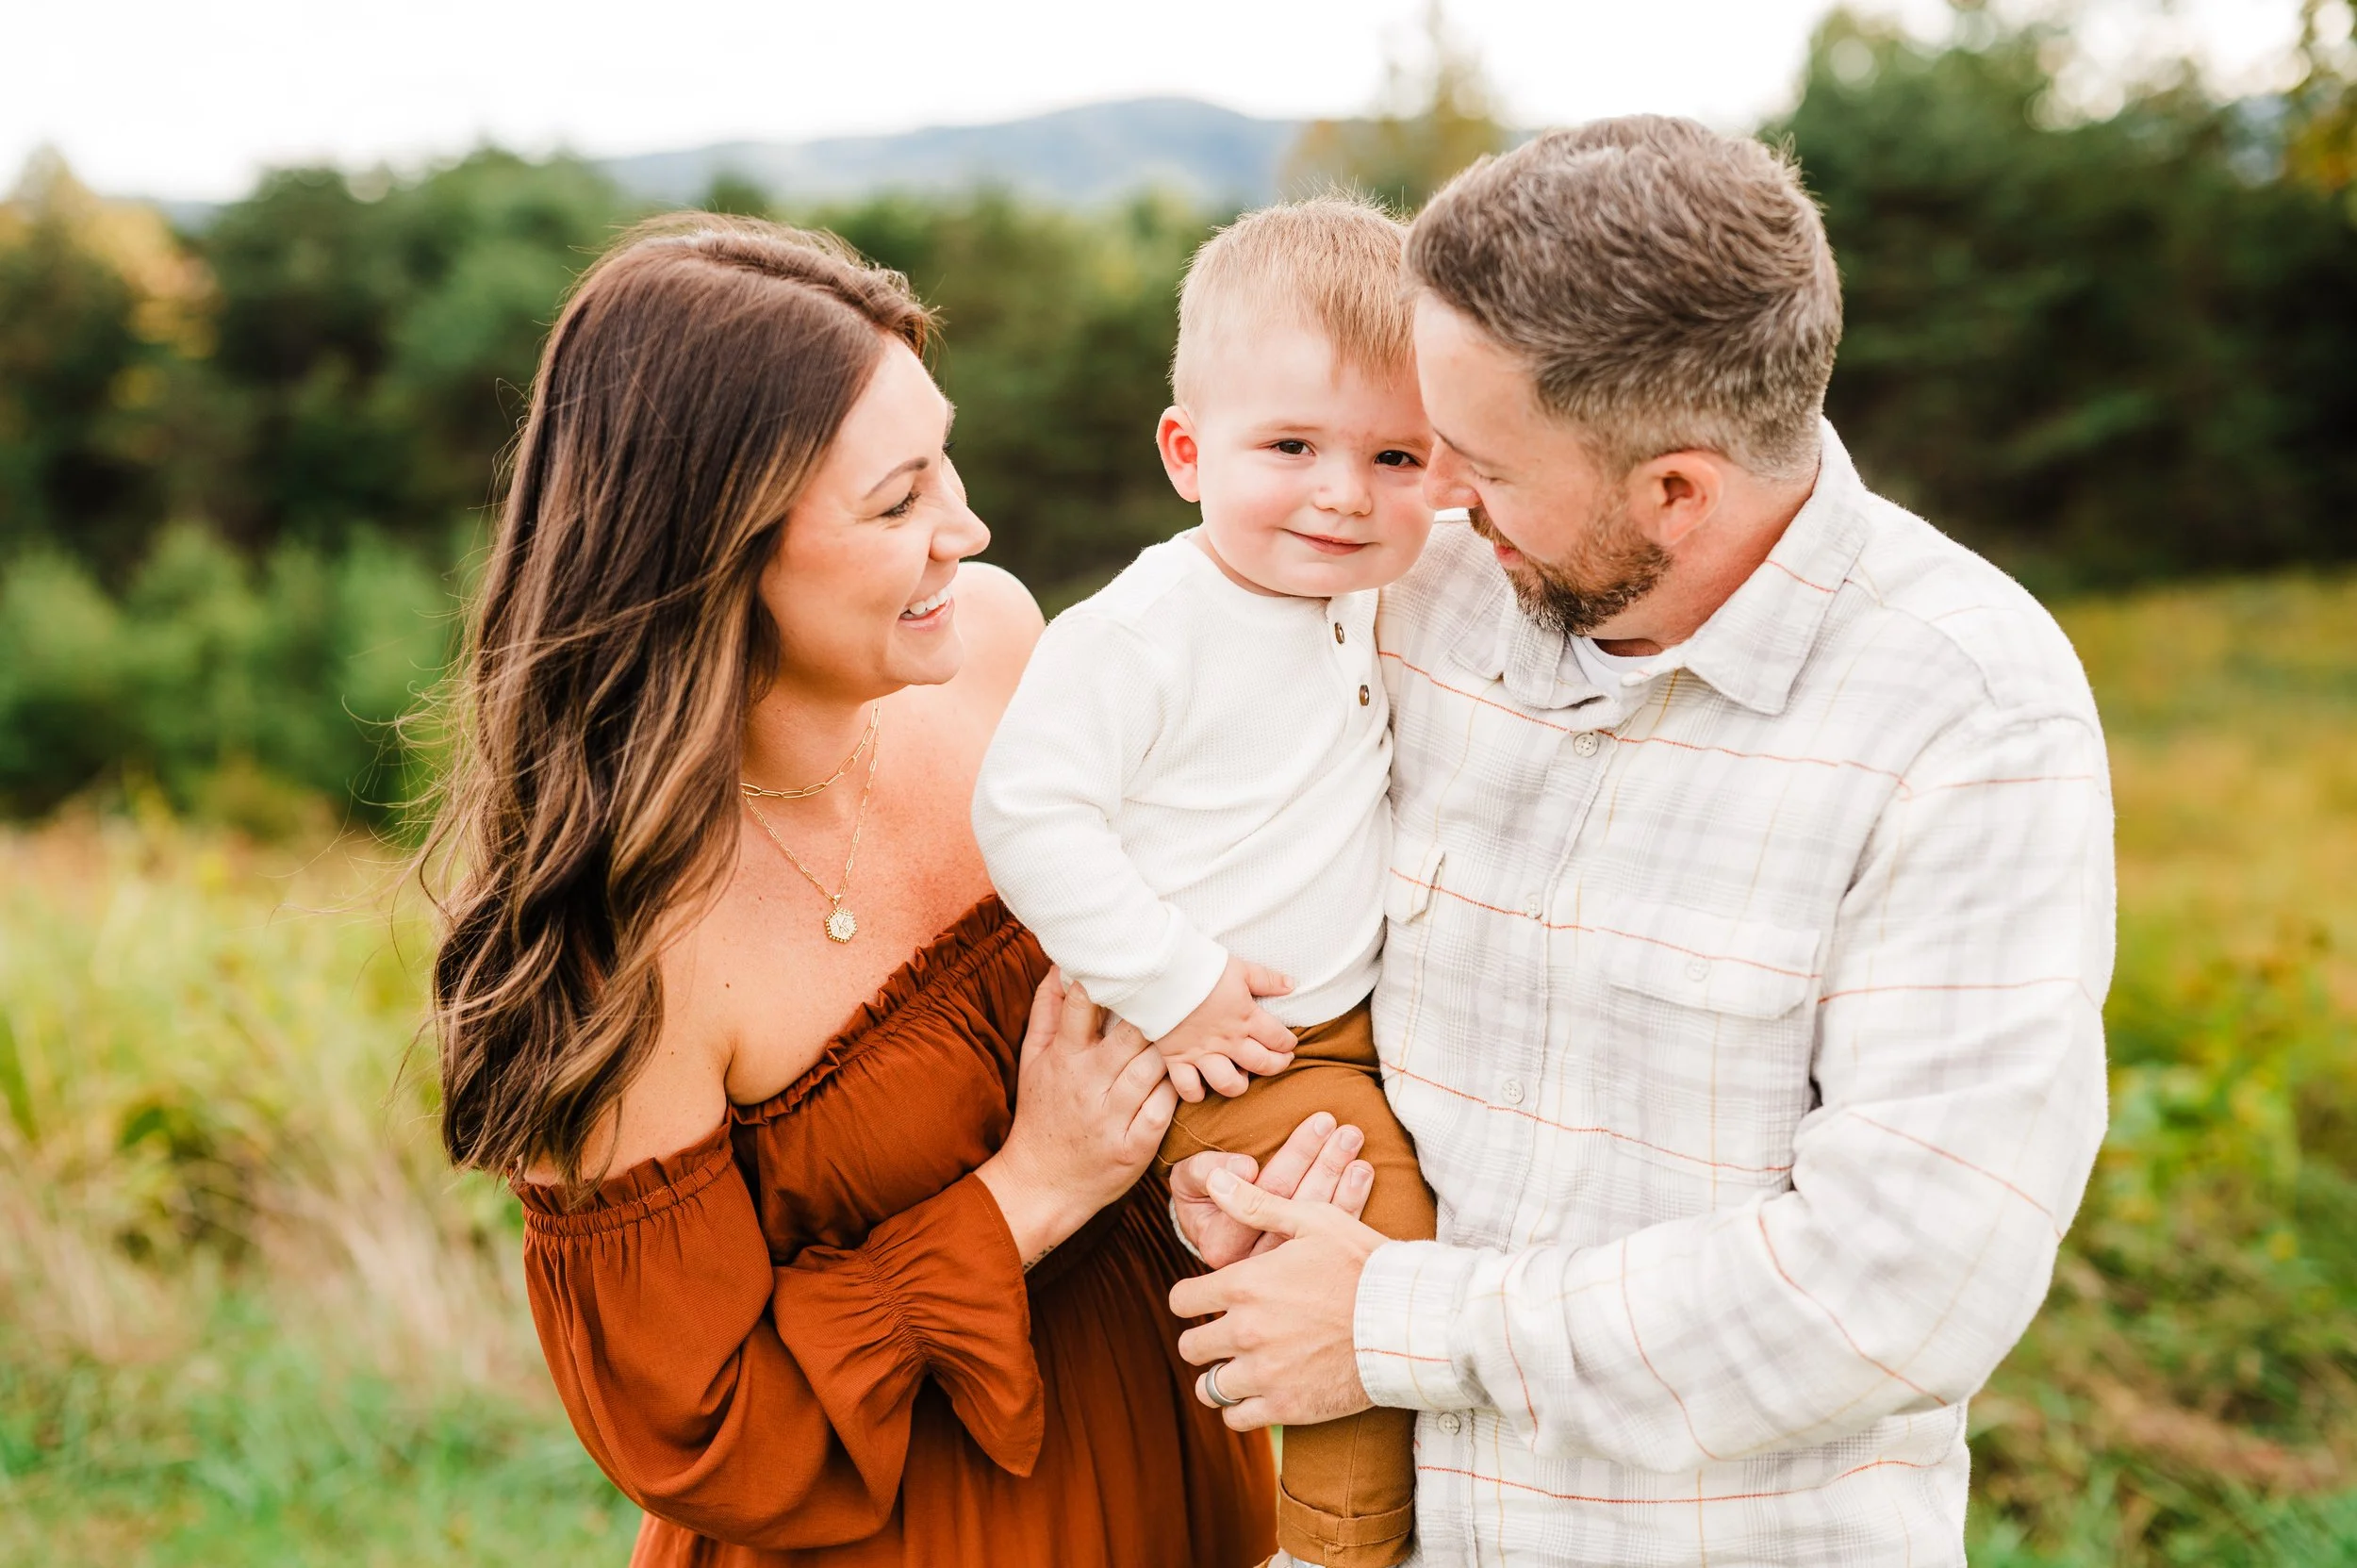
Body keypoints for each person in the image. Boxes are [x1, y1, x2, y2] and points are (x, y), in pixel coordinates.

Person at [1165, 116, 2116, 1566]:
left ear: (1676, 491)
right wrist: (1241, 1173)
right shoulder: (1418, 592)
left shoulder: (1967, 712)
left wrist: (1392, 1321)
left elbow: (1898, 1287)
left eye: (1481, 459)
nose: (1434, 491)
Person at [424, 215, 1287, 1567]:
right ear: (711, 551)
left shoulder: (1001, 648)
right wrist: (1032, 1188)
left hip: (1178, 1460)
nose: (966, 529)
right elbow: (704, 1428)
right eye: (896, 503)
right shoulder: (620, 940)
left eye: (945, 460)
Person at [974, 196, 1441, 1568]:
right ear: (1187, 453)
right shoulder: (1142, 631)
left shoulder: (1365, 589)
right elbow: (1028, 811)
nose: (1343, 492)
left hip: (1338, 1024)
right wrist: (1176, 987)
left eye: (1395, 455)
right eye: (1291, 447)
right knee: (1374, 1243)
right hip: (1219, 1044)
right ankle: (1338, 1547)